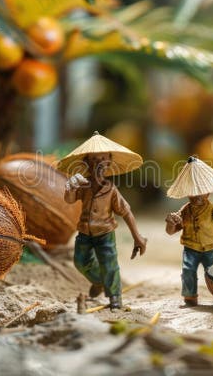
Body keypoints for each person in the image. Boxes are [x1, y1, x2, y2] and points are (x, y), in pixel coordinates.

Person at [58, 132, 147, 310]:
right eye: (93, 159)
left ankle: (115, 296)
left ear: (108, 164)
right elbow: (69, 199)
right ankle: (99, 280)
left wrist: (137, 237)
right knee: (80, 262)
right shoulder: (83, 185)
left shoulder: (111, 190)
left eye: (102, 159)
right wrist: (70, 187)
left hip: (105, 233)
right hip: (84, 232)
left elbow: (126, 212)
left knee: (110, 264)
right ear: (86, 163)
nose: (98, 163)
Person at [165, 156, 213, 307]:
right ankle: (190, 296)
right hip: (190, 248)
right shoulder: (185, 210)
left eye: (201, 192)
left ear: (208, 193)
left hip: (211, 248)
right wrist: (171, 223)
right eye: (193, 193)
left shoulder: (212, 209)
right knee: (188, 270)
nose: (197, 196)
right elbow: (171, 231)